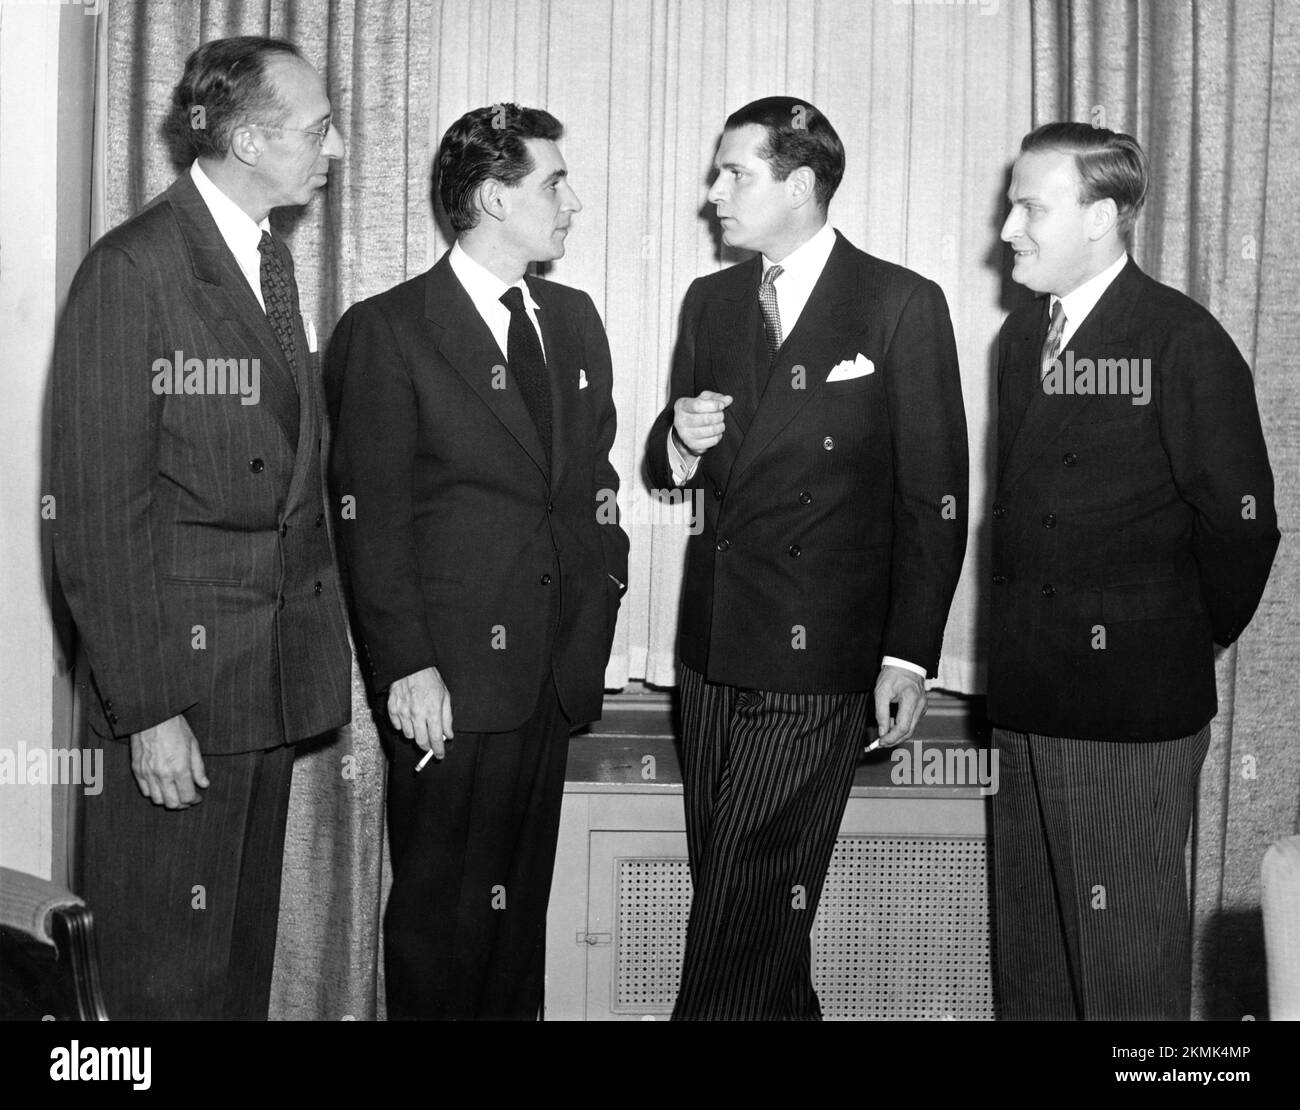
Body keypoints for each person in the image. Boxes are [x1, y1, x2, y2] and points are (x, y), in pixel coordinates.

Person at [645, 96, 969, 1020]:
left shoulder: (900, 302)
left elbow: (934, 498)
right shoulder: (711, 301)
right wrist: (677, 441)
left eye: (734, 173)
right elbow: (669, 472)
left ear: (799, 185)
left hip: (818, 657)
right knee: (748, 910)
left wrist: (909, 653)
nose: (713, 193)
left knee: (745, 900)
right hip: (712, 651)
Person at [50, 36, 351, 1019]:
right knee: (161, 983)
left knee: (233, 971)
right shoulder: (133, 268)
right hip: (180, 694)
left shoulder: (264, 259)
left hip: (263, 685)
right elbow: (97, 516)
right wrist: (149, 712)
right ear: (251, 141)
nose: (335, 148)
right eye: (316, 129)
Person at [326, 104, 629, 1021]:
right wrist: (408, 667)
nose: (572, 202)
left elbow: (594, 483)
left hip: (551, 674)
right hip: (449, 686)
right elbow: (370, 522)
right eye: (553, 183)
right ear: (495, 197)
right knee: (440, 926)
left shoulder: (572, 319)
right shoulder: (389, 329)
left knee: (513, 924)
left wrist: (604, 590)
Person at [989, 122, 1279, 1020]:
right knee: (1033, 974)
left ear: (1102, 215)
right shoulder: (1021, 339)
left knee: (1125, 986)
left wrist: (1176, 640)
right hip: (1027, 702)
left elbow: (1243, 527)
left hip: (1129, 714)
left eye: (1030, 208)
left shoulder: (1181, 341)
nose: (1007, 229)